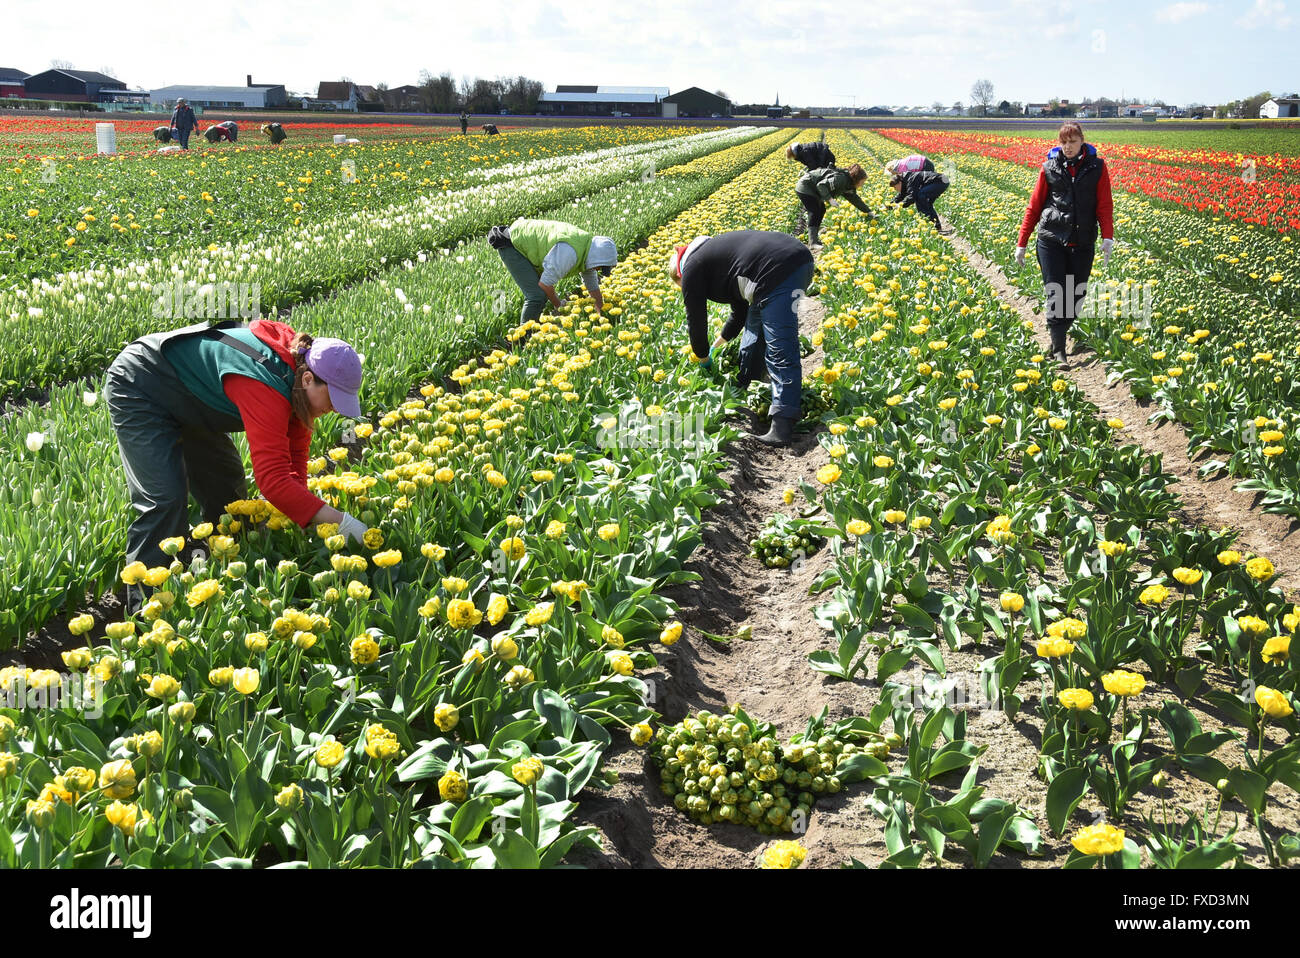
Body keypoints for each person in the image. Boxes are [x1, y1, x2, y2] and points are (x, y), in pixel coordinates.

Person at [102, 319, 366, 611]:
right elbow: (274, 481)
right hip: (143, 383)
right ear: (308, 380)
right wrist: (343, 522)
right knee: (164, 500)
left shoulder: (298, 381)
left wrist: (302, 517)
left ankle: (217, 579)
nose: (333, 409)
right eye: (332, 399)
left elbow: (294, 462)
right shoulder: (264, 384)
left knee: (227, 490)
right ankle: (145, 612)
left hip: (193, 398)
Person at [668, 231, 815, 446]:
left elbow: (696, 322)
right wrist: (718, 344)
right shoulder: (714, 259)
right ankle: (747, 383)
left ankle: (783, 424)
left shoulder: (692, 268)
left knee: (779, 346)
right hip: (796, 263)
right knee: (754, 335)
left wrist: (702, 358)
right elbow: (740, 312)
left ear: (679, 276)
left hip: (778, 270)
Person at [1015, 121, 1114, 368]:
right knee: (1055, 291)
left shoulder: (1097, 167)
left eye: (1072, 141)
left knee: (1076, 295)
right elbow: (1034, 206)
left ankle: (1056, 336)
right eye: (1064, 142)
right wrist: (1022, 242)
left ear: (1082, 141)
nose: (1068, 147)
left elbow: (1104, 204)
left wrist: (1107, 237)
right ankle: (1059, 350)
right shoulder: (1049, 167)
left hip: (1082, 240)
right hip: (1051, 239)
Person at [488, 218, 618, 322]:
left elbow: (592, 285)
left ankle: (532, 330)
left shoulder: (587, 250)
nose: (598, 269)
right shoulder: (569, 252)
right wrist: (559, 305)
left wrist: (602, 315)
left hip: (527, 242)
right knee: (536, 295)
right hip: (513, 244)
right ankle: (523, 339)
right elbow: (545, 284)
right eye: (600, 266)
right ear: (597, 258)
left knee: (539, 295)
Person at [795, 163, 873, 247]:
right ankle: (813, 242)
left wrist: (868, 211)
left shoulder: (849, 184)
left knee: (821, 210)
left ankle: (814, 240)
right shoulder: (841, 179)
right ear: (857, 178)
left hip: (812, 189)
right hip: (805, 187)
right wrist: (830, 199)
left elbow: (855, 200)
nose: (863, 184)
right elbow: (821, 185)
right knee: (815, 211)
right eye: (862, 182)